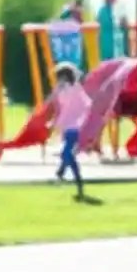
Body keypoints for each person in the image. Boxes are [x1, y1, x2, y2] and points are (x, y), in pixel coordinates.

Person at [48, 63, 90, 200]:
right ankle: (77, 181)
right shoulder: (61, 90)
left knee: (66, 152)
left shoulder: (76, 88)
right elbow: (58, 107)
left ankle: (61, 173)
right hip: (66, 126)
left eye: (60, 77)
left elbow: (86, 103)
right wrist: (54, 122)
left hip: (77, 125)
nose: (58, 80)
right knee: (69, 157)